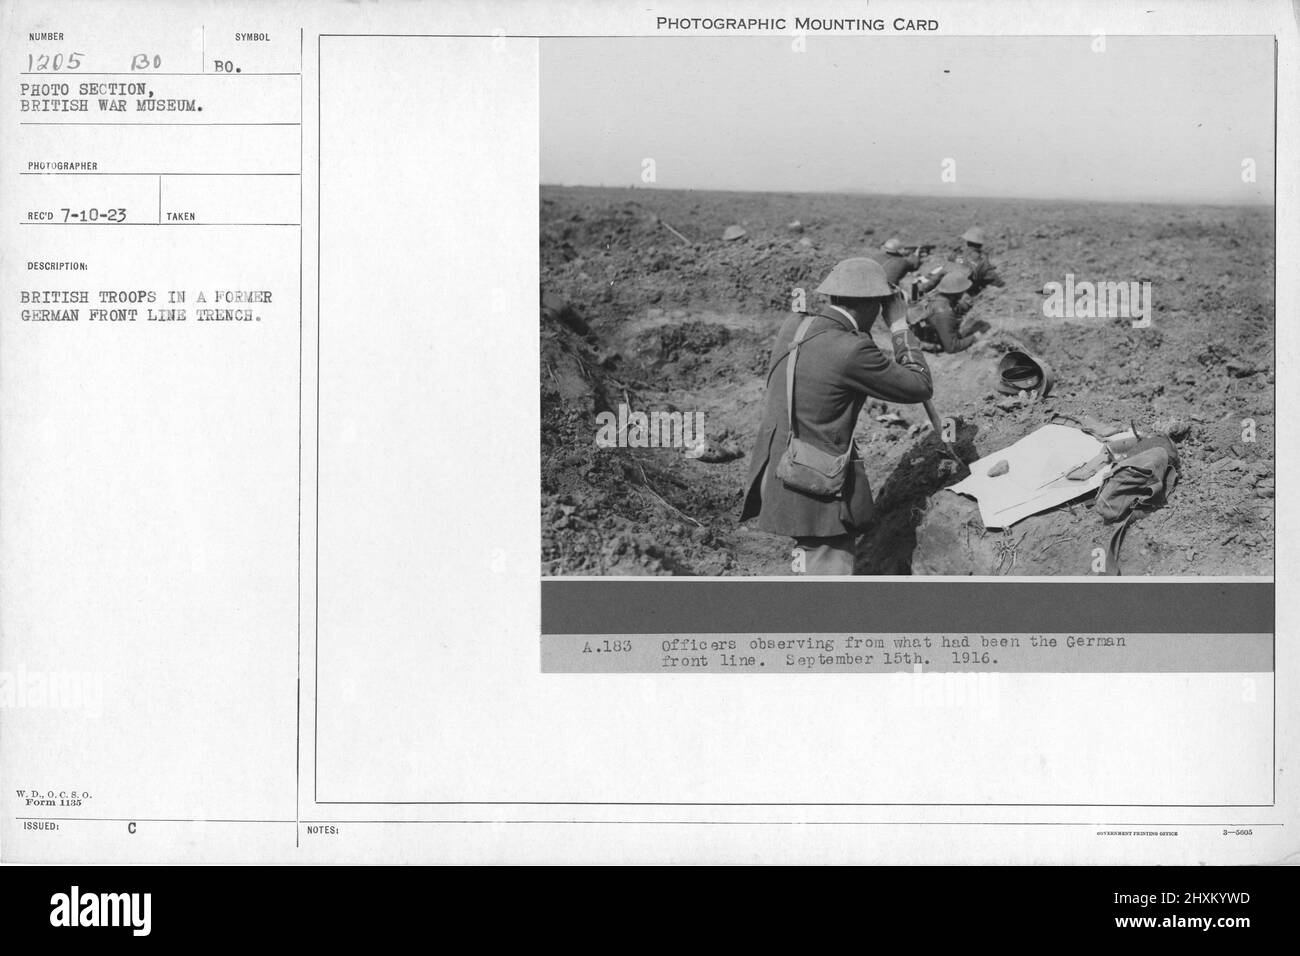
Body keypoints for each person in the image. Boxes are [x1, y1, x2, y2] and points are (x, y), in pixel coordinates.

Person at [740, 258, 933, 574]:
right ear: (872, 304)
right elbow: (919, 386)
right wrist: (899, 325)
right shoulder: (852, 350)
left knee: (809, 558)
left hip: (778, 465)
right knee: (828, 570)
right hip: (814, 482)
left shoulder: (796, 325)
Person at [908, 267, 988, 354]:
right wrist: (975, 336)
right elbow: (952, 347)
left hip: (919, 325)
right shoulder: (944, 312)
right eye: (963, 290)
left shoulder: (937, 294)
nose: (965, 292)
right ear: (957, 292)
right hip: (919, 336)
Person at [954, 226, 1005, 294]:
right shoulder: (981, 260)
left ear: (967, 242)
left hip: (949, 287)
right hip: (965, 292)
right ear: (981, 244)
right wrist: (1001, 284)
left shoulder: (957, 254)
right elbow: (992, 277)